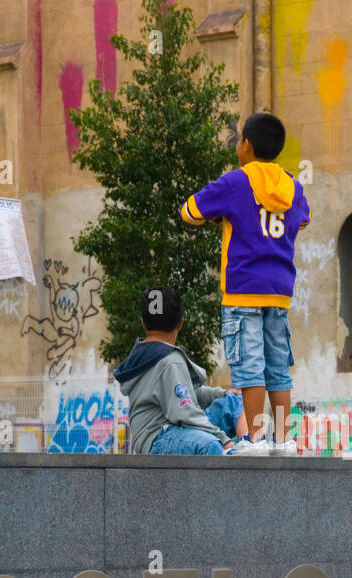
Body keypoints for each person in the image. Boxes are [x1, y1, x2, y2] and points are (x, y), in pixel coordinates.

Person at [180, 112, 311, 455]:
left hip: (242, 290)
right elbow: (304, 219)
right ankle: (283, 440)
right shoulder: (293, 186)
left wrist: (225, 214)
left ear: (246, 145)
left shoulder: (235, 182)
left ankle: (253, 439)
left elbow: (190, 211)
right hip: (279, 293)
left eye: (239, 138)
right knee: (278, 368)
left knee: (249, 366)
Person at [112, 287, 257, 456]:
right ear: (180, 323)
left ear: (142, 322)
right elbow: (184, 411)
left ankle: (247, 448)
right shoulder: (170, 360)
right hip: (159, 437)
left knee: (235, 400)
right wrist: (224, 440)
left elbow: (185, 393)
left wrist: (221, 393)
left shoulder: (143, 354)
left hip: (178, 428)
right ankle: (238, 466)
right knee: (210, 445)